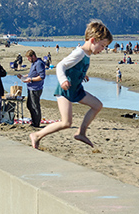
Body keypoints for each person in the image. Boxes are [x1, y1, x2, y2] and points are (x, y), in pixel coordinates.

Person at [30, 20, 112, 150]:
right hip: (65, 91)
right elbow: (61, 66)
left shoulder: (87, 54)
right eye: (102, 46)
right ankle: (37, 135)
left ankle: (81, 132)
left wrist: (82, 75)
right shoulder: (79, 53)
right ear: (93, 40)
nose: (103, 49)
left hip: (76, 89)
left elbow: (74, 67)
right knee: (66, 122)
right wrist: (63, 80)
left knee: (97, 105)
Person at [21, 50, 47, 128]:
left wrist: (31, 79)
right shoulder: (34, 63)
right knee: (29, 105)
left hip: (36, 88)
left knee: (35, 106)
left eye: (29, 58)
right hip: (31, 87)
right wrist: (24, 77)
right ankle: (34, 121)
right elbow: (32, 74)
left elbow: (42, 76)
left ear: (33, 56)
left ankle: (36, 123)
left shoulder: (39, 63)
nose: (28, 60)